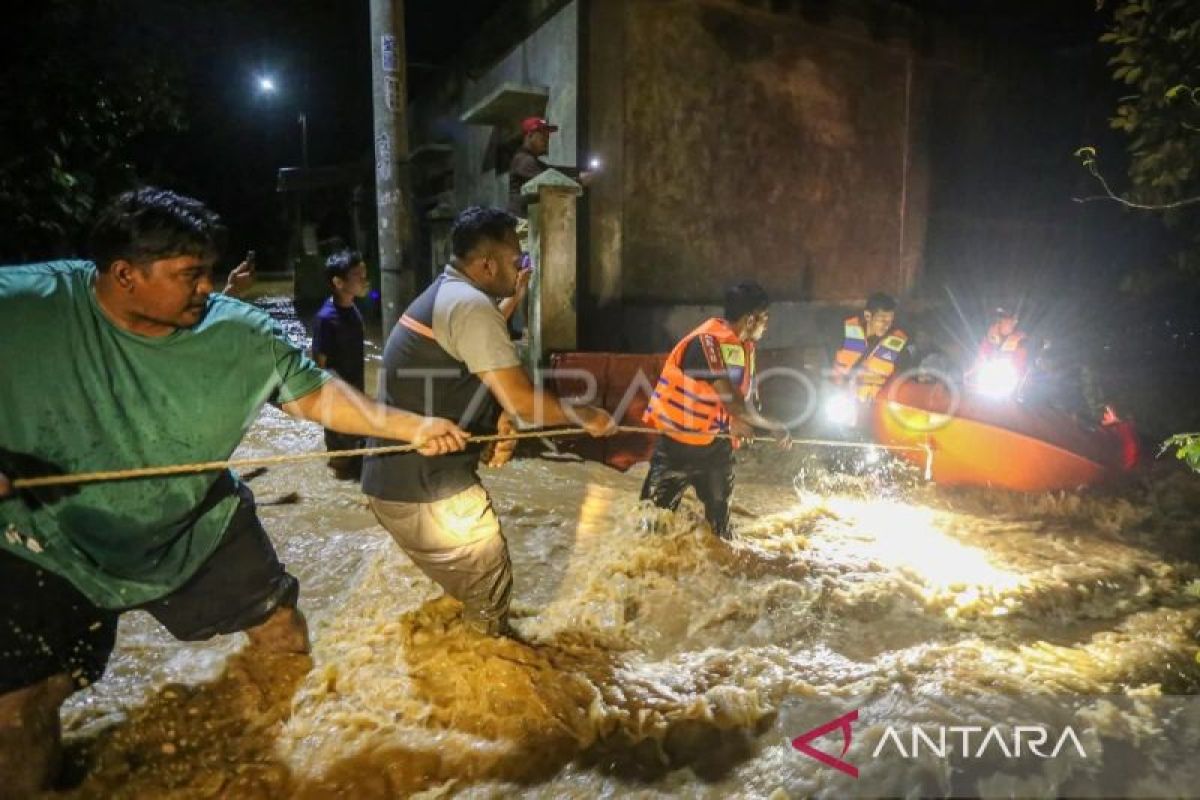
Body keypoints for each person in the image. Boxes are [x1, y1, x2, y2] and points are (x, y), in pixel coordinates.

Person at [0, 187, 468, 795]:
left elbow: (315, 395)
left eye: (210, 272)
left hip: (196, 526)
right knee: (18, 705)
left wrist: (413, 426)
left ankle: (293, 765)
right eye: (190, 274)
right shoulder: (22, 305)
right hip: (41, 540)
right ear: (124, 274)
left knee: (281, 633)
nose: (207, 287)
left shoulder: (239, 332)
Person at [361, 206, 616, 637]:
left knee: (472, 591)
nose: (522, 264)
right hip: (426, 489)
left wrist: (515, 296)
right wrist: (586, 414)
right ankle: (486, 678)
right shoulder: (468, 307)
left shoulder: (449, 294)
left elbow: (482, 342)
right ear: (486, 264)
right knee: (489, 596)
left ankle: (454, 662)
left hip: (394, 481)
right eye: (517, 258)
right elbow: (524, 403)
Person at [640, 280, 791, 540]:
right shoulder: (704, 344)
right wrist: (773, 424)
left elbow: (736, 402)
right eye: (765, 319)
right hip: (675, 450)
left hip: (715, 449)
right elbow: (732, 400)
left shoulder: (744, 349)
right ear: (751, 320)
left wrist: (734, 422)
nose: (767, 326)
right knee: (650, 530)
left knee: (719, 533)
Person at [312, 249, 370, 480]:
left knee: (358, 453)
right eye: (358, 275)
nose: (364, 279)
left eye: (363, 274)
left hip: (355, 393)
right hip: (337, 399)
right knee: (342, 462)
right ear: (338, 282)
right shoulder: (326, 318)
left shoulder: (353, 310)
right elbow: (319, 365)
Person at [828, 292, 910, 426]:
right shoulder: (844, 332)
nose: (886, 325)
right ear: (868, 316)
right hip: (837, 404)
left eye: (890, 321)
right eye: (882, 319)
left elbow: (902, 376)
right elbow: (825, 359)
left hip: (870, 413)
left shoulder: (898, 345)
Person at [506, 117, 593, 217]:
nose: (546, 141)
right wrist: (580, 181)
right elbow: (550, 183)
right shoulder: (524, 160)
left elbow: (554, 171)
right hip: (521, 223)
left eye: (547, 137)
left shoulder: (530, 160)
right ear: (530, 135)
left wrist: (578, 171)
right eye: (542, 137)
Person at [965, 306, 1031, 398]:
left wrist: (1018, 375)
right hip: (991, 370)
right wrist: (972, 370)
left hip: (1008, 373)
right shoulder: (991, 334)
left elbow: (1021, 361)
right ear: (1000, 321)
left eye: (1013, 321)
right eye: (1006, 320)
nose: (1010, 324)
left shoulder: (1019, 339)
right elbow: (982, 354)